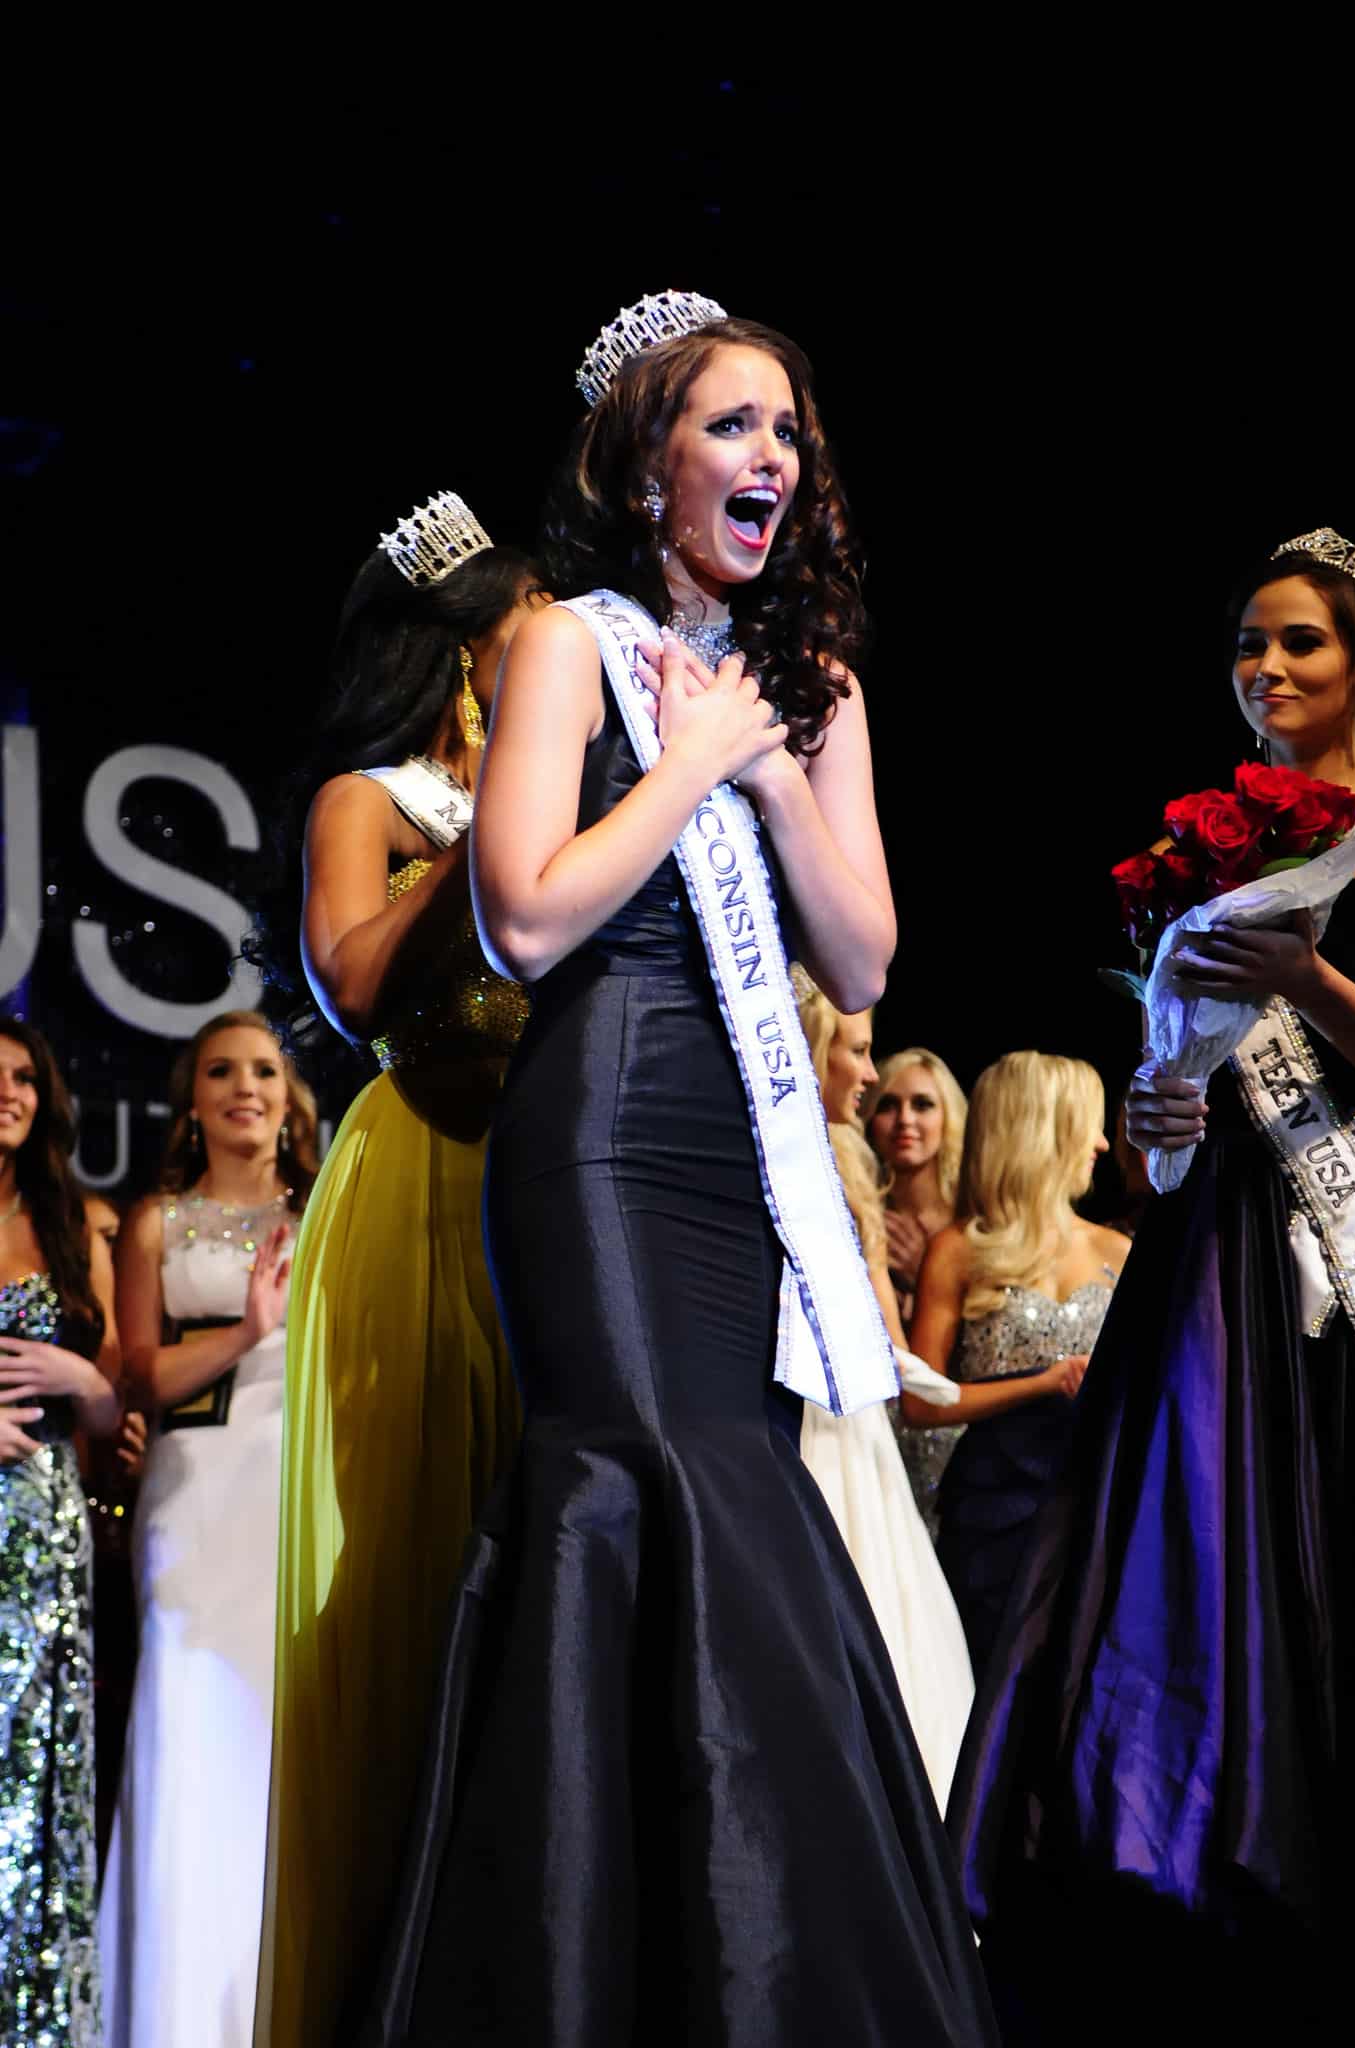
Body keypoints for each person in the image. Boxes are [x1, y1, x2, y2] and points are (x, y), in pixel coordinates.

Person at [362, 291, 997, 2047]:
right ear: (648, 465)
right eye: (732, 426)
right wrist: (692, 759)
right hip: (600, 1137)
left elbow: (862, 960)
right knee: (641, 1479)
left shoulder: (822, 686)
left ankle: (756, 1970)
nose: (771, 459)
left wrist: (775, 771)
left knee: (740, 1490)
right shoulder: (569, 640)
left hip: (745, 1156)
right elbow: (524, 911)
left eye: (789, 432)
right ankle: (581, 1972)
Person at [949, 528, 1355, 2043]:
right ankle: (1178, 1859)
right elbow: (1170, 1089)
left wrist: (1309, 978)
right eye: (1248, 645)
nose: (1265, 670)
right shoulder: (1218, 851)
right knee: (1182, 1543)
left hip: (1341, 1260)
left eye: (1300, 642)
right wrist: (1155, 1116)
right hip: (1215, 1251)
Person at [247, 501, 542, 2046]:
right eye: (522, 628)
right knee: (420, 1546)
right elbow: (353, 982)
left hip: (554, 1171)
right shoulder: (375, 797)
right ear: (466, 649)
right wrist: (485, 837)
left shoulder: (561, 778)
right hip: (422, 1168)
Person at [98, 1012, 316, 2048]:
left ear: (289, 1095)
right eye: (221, 1070)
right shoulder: (156, 1223)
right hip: (190, 1500)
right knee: (189, 1725)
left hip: (292, 1499)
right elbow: (140, 1372)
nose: (244, 1086)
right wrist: (248, 1330)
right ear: (191, 1098)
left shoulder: (323, 1218)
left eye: (263, 1069)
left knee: (285, 1741)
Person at [794, 976, 974, 1812]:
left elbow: (894, 1352)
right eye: (860, 1051)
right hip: (791, 1420)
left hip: (852, 1424)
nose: (868, 1079)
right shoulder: (787, 1151)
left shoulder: (845, 1166)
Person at [907, 1051, 1125, 1677]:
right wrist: (1044, 1383)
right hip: (996, 1504)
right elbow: (922, 1403)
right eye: (1089, 1123)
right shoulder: (957, 1252)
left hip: (1091, 1499)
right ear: (1045, 1129)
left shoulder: (1119, 1252)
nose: (1105, 1143)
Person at [0, 1017, 121, 2046]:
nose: (8, 1090)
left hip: (45, 1529)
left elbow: (116, 1405)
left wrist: (85, 1379)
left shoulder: (77, 1221)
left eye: (24, 1077)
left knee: (39, 1773)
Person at [865, 1047, 970, 1536]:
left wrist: (926, 1278)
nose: (904, 1119)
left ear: (949, 1115)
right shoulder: (855, 1211)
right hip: (878, 1425)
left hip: (955, 1427)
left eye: (923, 1104)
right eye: (888, 1104)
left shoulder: (971, 1219)